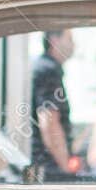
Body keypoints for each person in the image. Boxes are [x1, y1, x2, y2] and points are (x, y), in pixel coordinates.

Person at [29, 30, 81, 181]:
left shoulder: (43, 66)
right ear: (54, 40)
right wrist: (65, 168)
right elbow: (49, 121)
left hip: (44, 165)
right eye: (70, 39)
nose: (74, 45)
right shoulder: (48, 69)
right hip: (49, 167)